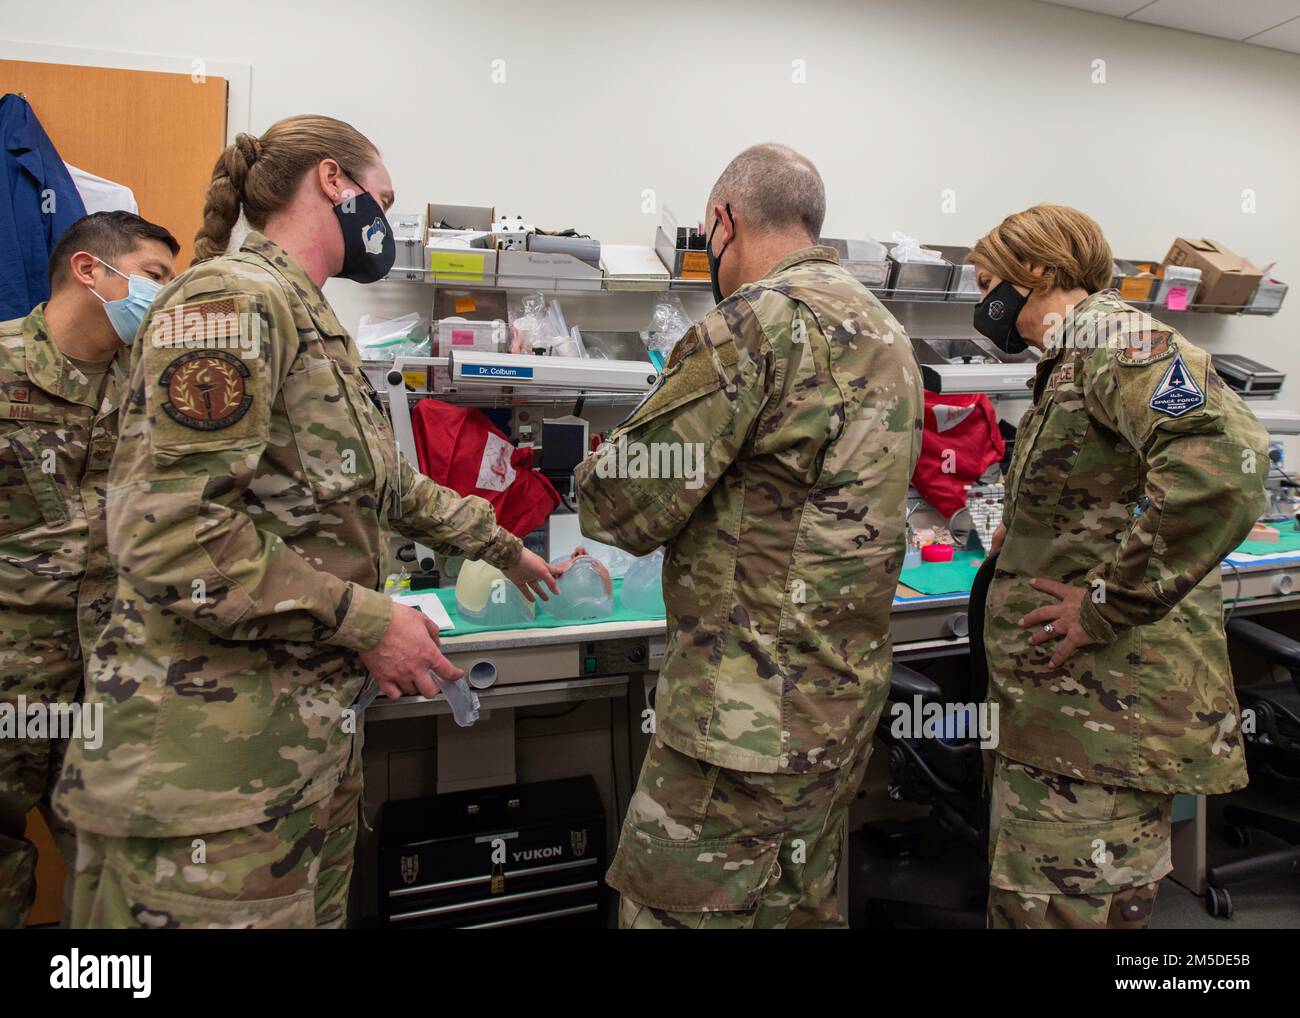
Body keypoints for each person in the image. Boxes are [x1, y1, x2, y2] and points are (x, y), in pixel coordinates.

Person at [52, 115, 557, 928]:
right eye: (381, 201)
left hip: (296, 761)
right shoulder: (228, 301)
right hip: (206, 782)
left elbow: (382, 482)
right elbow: (173, 532)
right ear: (333, 181)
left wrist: (503, 546)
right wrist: (367, 622)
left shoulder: (310, 320)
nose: (385, 225)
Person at [575, 143, 923, 928]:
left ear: (721, 224)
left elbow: (621, 507)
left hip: (740, 728)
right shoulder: (887, 333)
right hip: (836, 708)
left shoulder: (753, 327)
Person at [971, 204, 1268, 929]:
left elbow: (1222, 469)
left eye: (986, 283)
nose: (983, 303)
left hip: (1101, 720)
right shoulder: (1072, 358)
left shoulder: (1115, 338)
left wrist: (1104, 604)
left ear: (1035, 272)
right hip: (1066, 717)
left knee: (1066, 911)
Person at [0, 211, 179, 928]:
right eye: (157, 276)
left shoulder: (154, 386)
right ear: (90, 271)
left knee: (116, 879)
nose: (168, 296)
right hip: (9, 673)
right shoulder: (5, 363)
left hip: (111, 678)